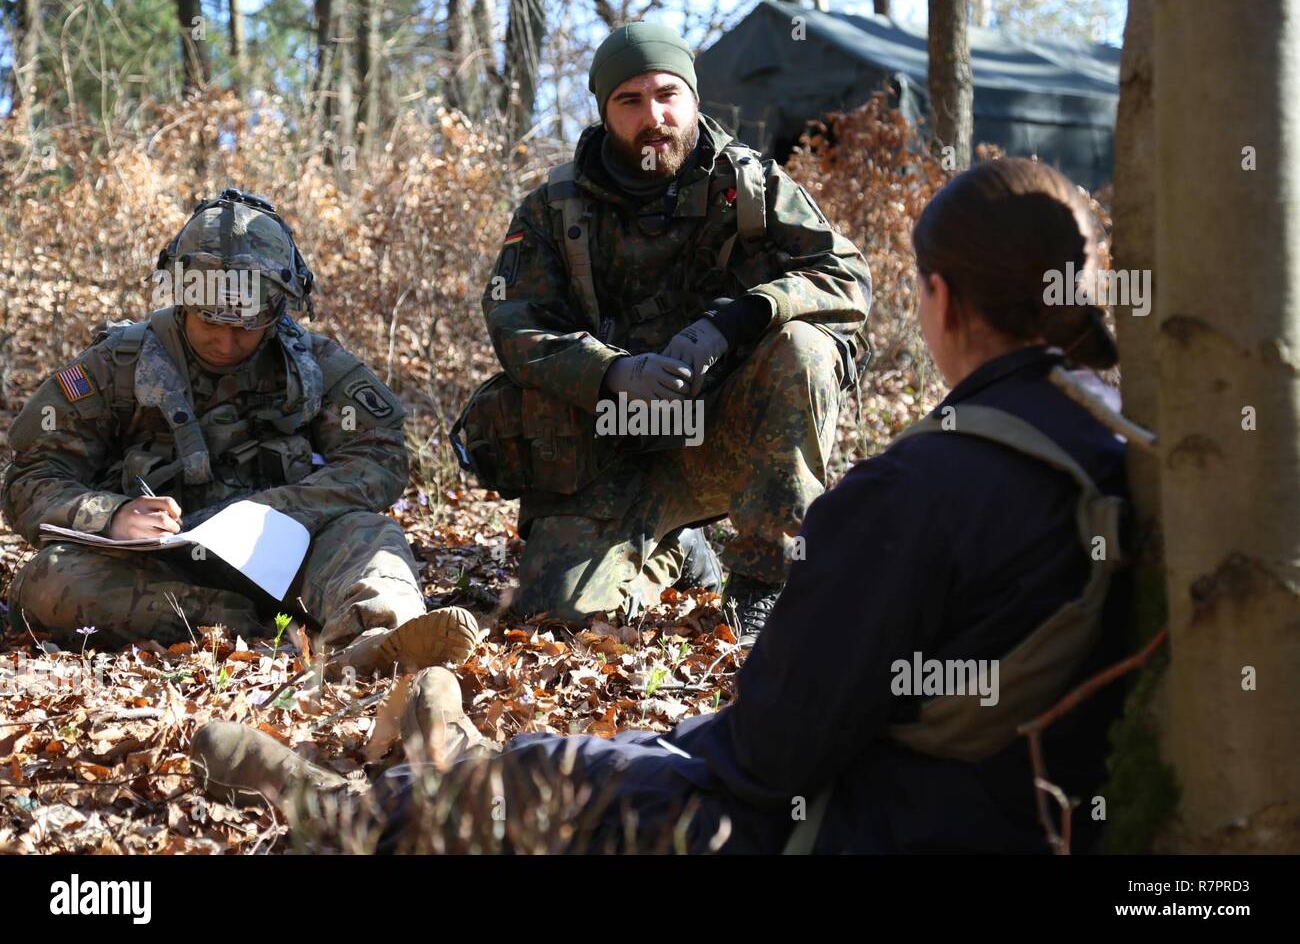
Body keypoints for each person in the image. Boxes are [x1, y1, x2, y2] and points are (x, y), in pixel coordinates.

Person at [193, 157, 1133, 854]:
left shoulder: (918, 491)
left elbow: (772, 751)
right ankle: (457, 745)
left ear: (940, 298)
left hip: (875, 825)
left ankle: (339, 811)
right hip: (993, 803)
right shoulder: (1128, 449)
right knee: (609, 747)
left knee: (568, 777)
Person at [452, 21, 872, 641]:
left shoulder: (748, 187)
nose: (654, 116)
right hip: (610, 446)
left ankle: (764, 579)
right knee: (559, 614)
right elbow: (516, 327)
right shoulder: (552, 209)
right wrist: (613, 372)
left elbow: (846, 277)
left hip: (723, 437)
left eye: (668, 93)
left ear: (694, 99)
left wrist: (737, 320)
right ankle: (680, 552)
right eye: (630, 99)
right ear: (603, 111)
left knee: (805, 348)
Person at [3, 188, 477, 673]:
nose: (227, 340)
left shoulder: (314, 364)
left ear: (278, 310)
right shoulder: (116, 367)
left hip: (292, 551)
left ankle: (386, 636)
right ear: (183, 297)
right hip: (156, 568)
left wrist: (281, 507)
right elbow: (32, 477)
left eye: (248, 327)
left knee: (371, 534)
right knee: (50, 580)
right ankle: (255, 627)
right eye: (210, 320)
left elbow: (380, 455)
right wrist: (111, 514)